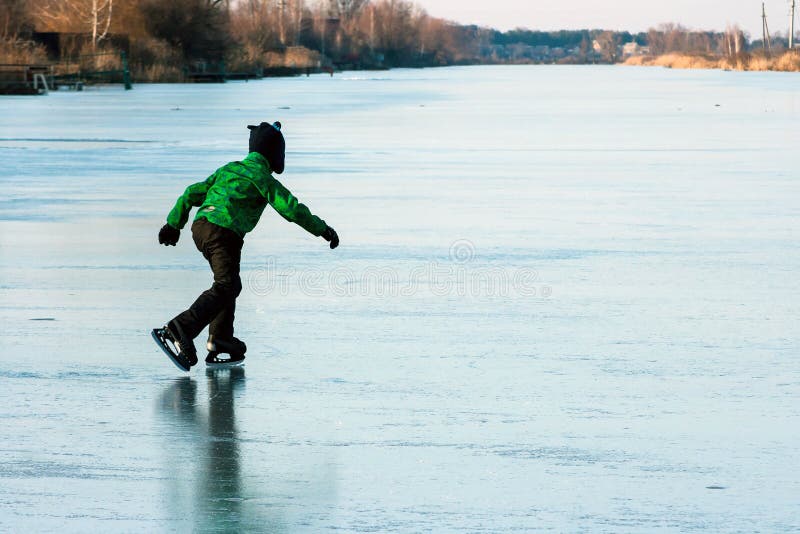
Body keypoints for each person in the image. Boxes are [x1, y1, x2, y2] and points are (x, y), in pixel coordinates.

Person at [156, 121, 338, 370]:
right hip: (224, 231)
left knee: (228, 284)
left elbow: (191, 192)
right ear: (275, 154)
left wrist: (173, 224)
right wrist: (323, 230)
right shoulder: (262, 178)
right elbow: (292, 209)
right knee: (227, 285)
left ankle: (220, 339)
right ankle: (179, 329)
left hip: (202, 226)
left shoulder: (229, 169)